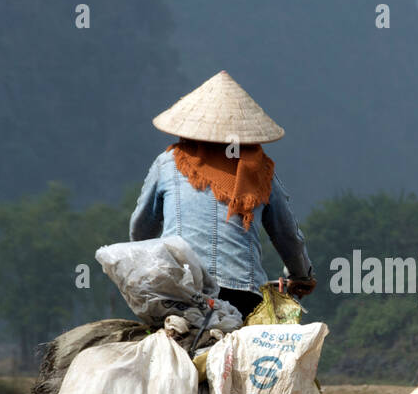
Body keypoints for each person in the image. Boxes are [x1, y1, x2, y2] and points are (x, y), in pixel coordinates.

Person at [129, 70, 315, 318]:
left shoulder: (169, 163)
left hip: (180, 290)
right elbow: (288, 237)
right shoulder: (261, 172)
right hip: (243, 296)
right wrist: (300, 277)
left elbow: (140, 232)